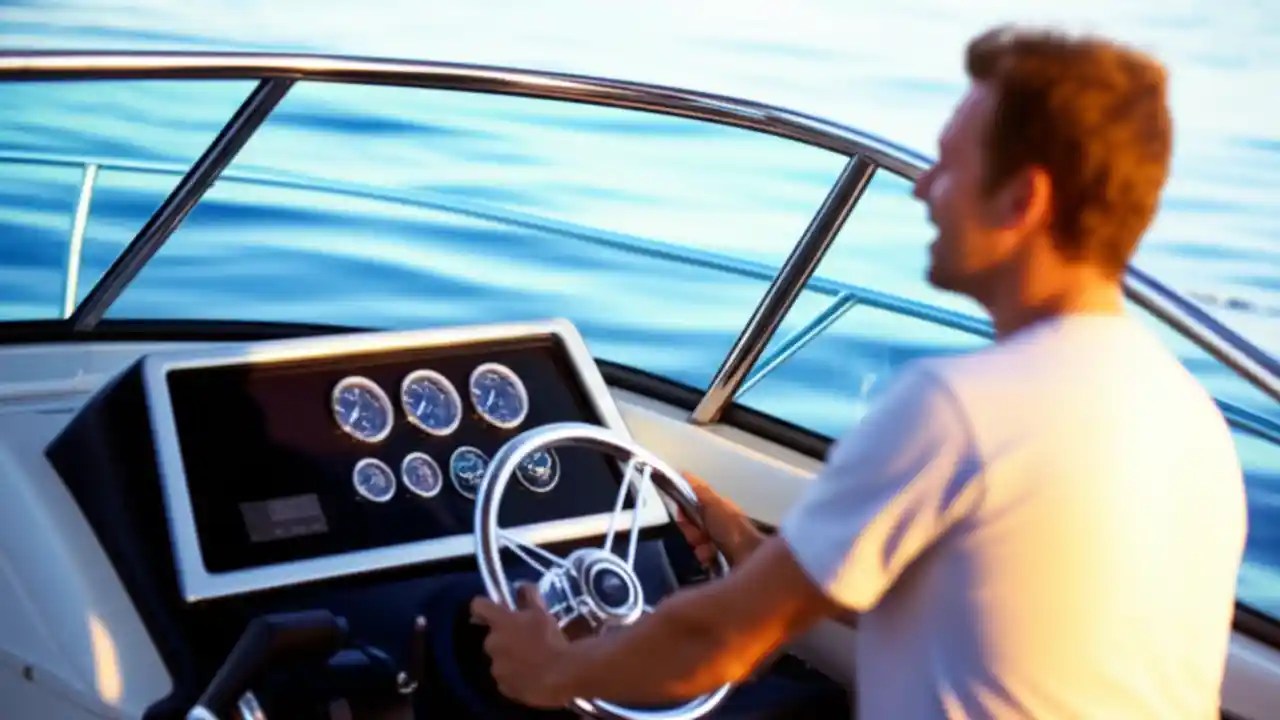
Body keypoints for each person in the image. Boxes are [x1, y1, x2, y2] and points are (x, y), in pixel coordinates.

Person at [470, 25, 1248, 718]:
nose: (922, 187)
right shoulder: (1189, 417)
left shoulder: (961, 408)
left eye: (949, 165)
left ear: (1022, 198)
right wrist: (753, 545)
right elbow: (1001, 618)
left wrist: (553, 670)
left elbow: (716, 643)